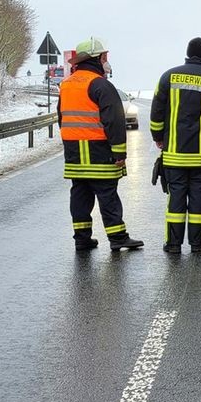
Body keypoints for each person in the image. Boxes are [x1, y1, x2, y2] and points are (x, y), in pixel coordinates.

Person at [59, 37, 144, 252]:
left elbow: (61, 117)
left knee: (80, 194)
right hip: (98, 151)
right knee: (107, 194)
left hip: (74, 152)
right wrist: (119, 153)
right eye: (104, 56)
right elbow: (113, 121)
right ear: (96, 59)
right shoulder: (100, 85)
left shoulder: (66, 85)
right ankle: (117, 237)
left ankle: (82, 238)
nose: (107, 61)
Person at [150, 37, 201, 254]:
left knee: (176, 198)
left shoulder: (168, 77)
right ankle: (197, 245)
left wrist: (158, 136)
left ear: (188, 53)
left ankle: (173, 244)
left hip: (175, 154)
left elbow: (156, 113)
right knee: (199, 199)